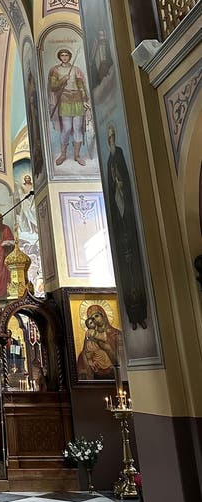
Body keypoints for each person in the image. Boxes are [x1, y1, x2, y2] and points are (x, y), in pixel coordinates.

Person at [106, 124, 148, 330]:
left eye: (112, 137)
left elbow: (123, 182)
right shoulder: (109, 163)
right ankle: (133, 316)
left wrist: (120, 184)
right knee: (127, 274)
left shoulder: (120, 156)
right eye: (109, 139)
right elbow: (111, 185)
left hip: (128, 227)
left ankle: (141, 315)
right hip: (121, 230)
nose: (111, 141)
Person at [48, 48, 90, 167]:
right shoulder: (56, 70)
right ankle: (63, 154)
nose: (64, 57)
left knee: (77, 128)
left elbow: (81, 86)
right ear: (59, 57)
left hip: (77, 99)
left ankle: (77, 156)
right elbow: (53, 86)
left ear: (69, 56)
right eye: (62, 55)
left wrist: (84, 100)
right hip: (65, 99)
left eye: (66, 55)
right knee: (66, 128)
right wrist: (63, 79)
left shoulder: (76, 70)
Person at [77, 304, 123, 380]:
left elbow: (122, 357)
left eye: (96, 316)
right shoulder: (89, 335)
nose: (95, 320)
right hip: (97, 373)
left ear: (103, 316)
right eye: (92, 318)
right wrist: (89, 360)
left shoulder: (116, 333)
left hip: (115, 373)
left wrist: (108, 349)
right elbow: (85, 353)